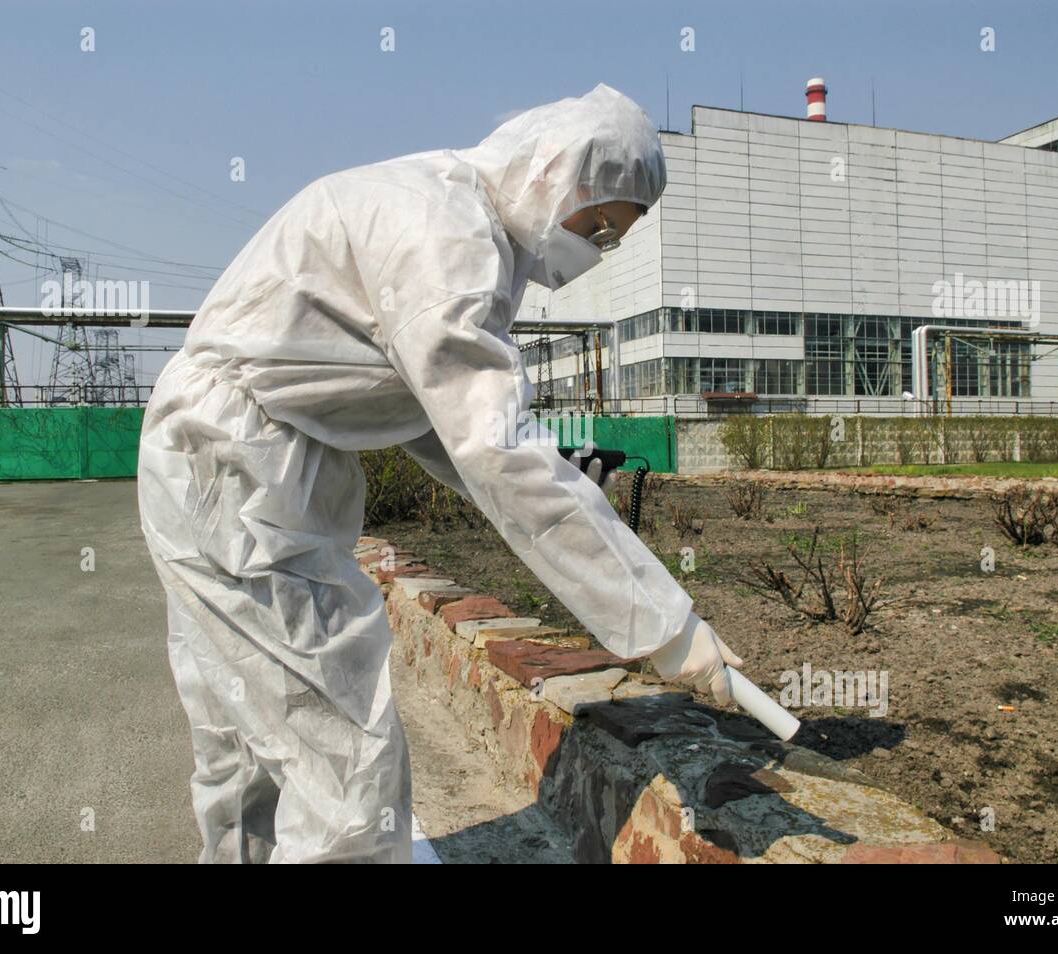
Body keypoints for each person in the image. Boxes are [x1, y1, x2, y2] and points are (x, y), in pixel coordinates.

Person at [138, 83, 742, 864]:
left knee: (247, 726)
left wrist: (555, 468)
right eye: (598, 227)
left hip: (222, 454)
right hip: (241, 467)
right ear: (557, 172)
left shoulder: (452, 210)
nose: (596, 251)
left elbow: (445, 424)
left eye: (612, 241)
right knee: (339, 753)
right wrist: (666, 624)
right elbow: (490, 447)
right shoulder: (451, 239)